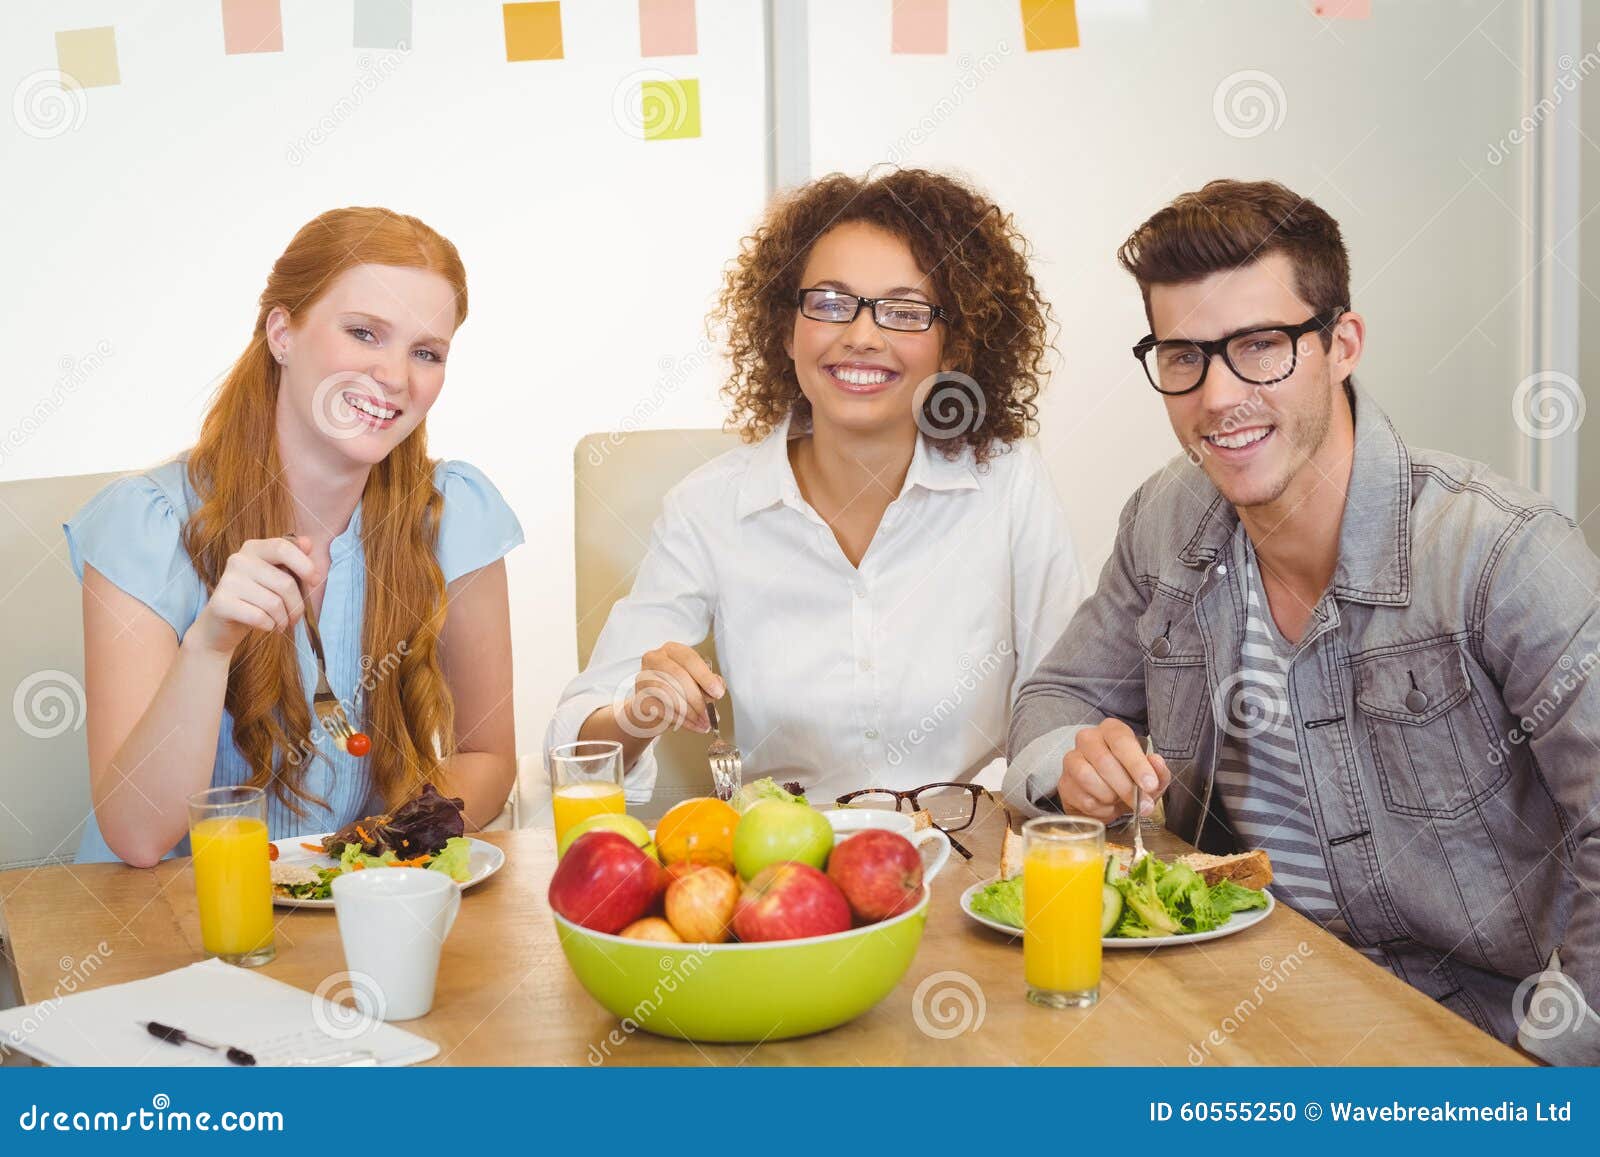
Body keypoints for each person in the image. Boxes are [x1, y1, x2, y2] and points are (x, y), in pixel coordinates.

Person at [1006, 179, 1598, 1063]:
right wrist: (1073, 766)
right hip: (1217, 1004)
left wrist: (1544, 1074)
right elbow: (1052, 698)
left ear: (1341, 344)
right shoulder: (1167, 521)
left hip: (1464, 1037)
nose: (1216, 397)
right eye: (1183, 357)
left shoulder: (1503, 555)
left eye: (1259, 347)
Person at [549, 169, 1082, 804]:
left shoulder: (1008, 481)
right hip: (784, 865)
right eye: (830, 304)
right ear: (786, 328)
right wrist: (638, 712)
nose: (861, 335)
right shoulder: (708, 507)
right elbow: (575, 751)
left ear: (955, 345)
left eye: (904, 311)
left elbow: (1066, 702)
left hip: (967, 856)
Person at [66, 207, 523, 866]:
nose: (395, 376)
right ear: (283, 332)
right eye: (364, 333)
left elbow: (488, 757)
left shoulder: (453, 515)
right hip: (168, 925)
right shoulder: (147, 525)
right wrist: (210, 644)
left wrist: (364, 852)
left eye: (426, 352)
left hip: (343, 914)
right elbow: (139, 837)